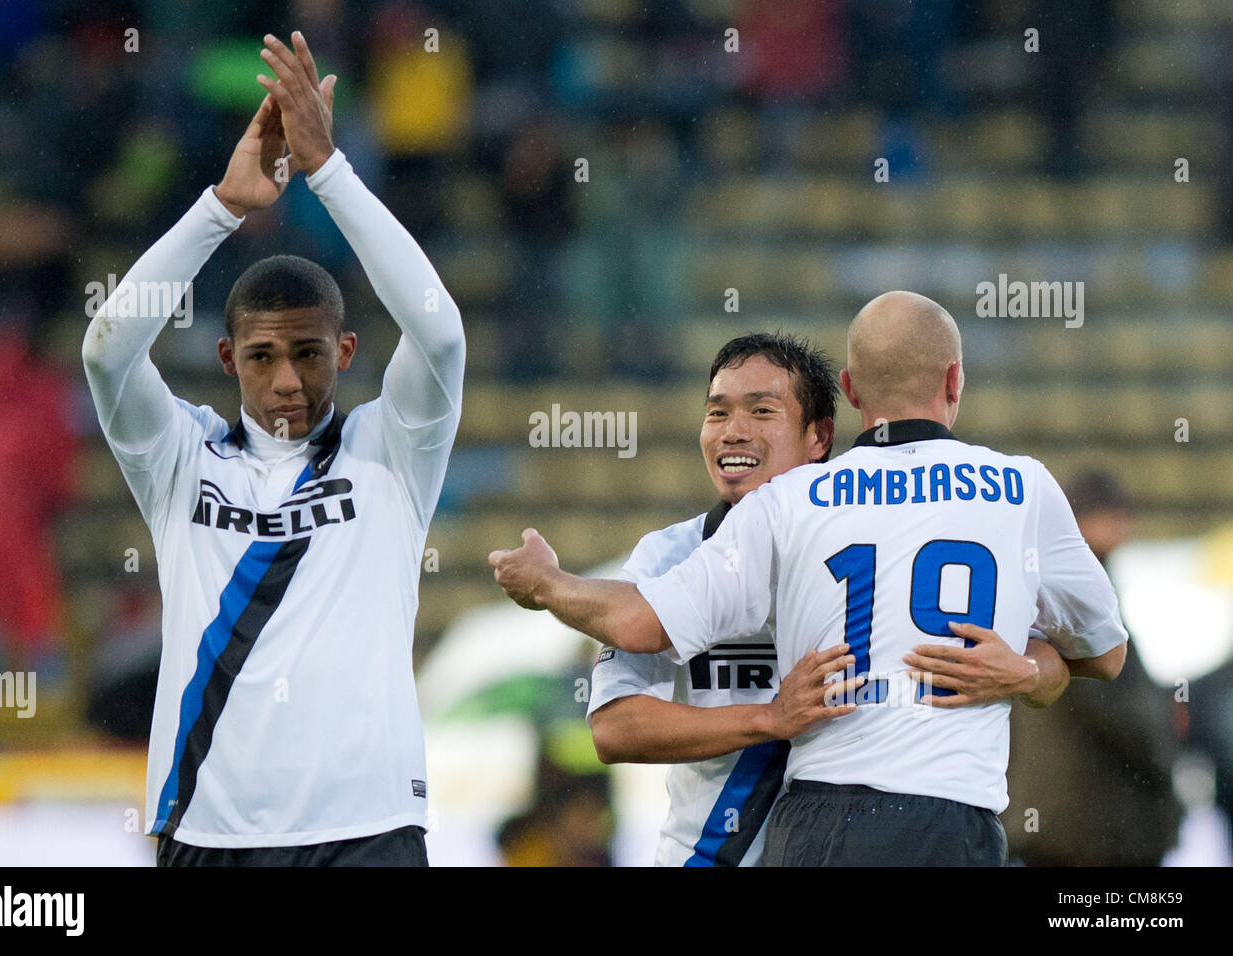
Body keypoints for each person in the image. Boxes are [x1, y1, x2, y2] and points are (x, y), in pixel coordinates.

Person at [490, 290, 1125, 866]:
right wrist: (769, 717)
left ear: (837, 412)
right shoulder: (1020, 487)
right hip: (839, 837)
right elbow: (1102, 650)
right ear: (955, 380)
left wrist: (548, 583)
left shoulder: (793, 502)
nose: (735, 431)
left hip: (815, 827)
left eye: (762, 411)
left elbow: (638, 621)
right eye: (717, 413)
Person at [82, 32, 464, 865]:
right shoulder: (181, 459)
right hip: (206, 830)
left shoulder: (390, 452)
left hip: (367, 830)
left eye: (309, 354)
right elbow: (107, 350)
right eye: (262, 356)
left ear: (348, 353)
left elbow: (438, 335)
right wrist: (222, 205)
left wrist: (330, 173)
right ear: (228, 361)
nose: (287, 379)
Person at [1003, 471, 1183, 865]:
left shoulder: (1029, 582)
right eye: (1115, 517)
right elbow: (1126, 716)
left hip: (1050, 820)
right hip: (1094, 827)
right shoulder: (1078, 591)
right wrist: (1168, 767)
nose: (1125, 529)